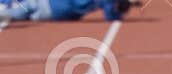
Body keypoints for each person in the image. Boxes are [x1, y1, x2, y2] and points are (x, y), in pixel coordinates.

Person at [0, 0, 129, 19]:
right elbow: (111, 16)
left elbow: (111, 15)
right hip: (50, 12)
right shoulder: (107, 2)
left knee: (14, 14)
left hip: (47, 6)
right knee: (15, 14)